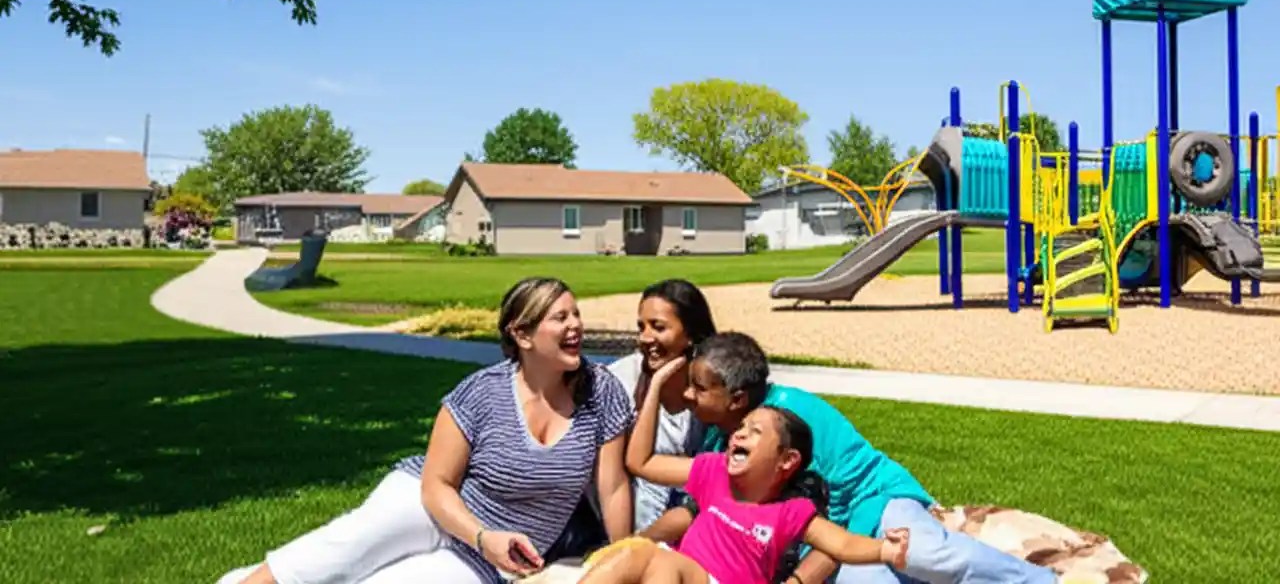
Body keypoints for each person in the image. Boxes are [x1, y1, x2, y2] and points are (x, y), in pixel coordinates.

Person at [219, 276, 636, 584]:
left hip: (493, 559)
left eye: (576, 313)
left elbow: (613, 486)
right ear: (522, 334)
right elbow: (437, 485)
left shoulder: (601, 392)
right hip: (426, 506)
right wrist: (480, 534)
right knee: (338, 554)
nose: (576, 325)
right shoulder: (481, 393)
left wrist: (624, 555)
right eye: (560, 317)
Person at [646, 332, 1058, 584]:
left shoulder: (790, 422)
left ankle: (1040, 582)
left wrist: (803, 578)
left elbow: (840, 511)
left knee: (927, 554)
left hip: (878, 503)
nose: (687, 396)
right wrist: (638, 544)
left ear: (736, 398)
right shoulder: (726, 442)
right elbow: (697, 508)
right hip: (847, 544)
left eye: (698, 388)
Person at [578, 353, 910, 584]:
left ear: (787, 461)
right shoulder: (714, 472)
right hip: (682, 571)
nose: (739, 433)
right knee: (634, 555)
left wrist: (885, 549)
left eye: (755, 432)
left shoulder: (790, 511)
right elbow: (642, 463)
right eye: (743, 426)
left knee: (659, 562)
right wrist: (656, 385)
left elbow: (843, 545)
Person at [605, 278, 717, 534]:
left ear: (690, 334)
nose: (645, 338)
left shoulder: (715, 382)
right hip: (636, 517)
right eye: (641, 326)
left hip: (700, 516)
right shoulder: (621, 380)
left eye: (658, 327)